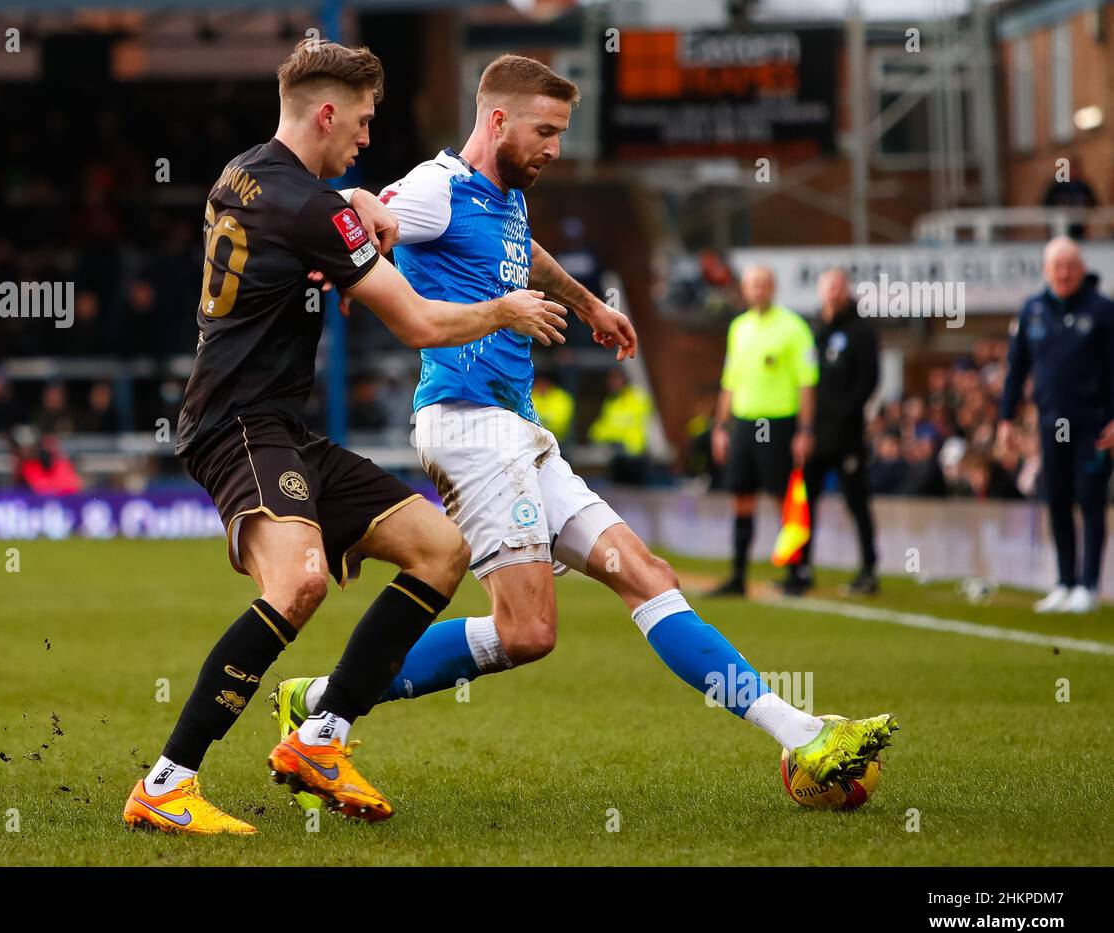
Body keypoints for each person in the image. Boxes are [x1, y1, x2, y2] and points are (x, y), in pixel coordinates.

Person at [272, 54, 897, 804]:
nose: (555, 148)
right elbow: (370, 205)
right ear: (496, 120)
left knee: (648, 575)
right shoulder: (441, 187)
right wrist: (355, 230)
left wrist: (590, 304)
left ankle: (801, 733)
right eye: (546, 130)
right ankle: (324, 714)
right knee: (528, 631)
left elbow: (519, 253)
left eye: (562, 133)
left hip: (519, 431)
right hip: (471, 427)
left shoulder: (504, 196)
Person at [122, 40, 568, 835]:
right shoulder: (312, 210)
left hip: (281, 427)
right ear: (327, 114)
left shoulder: (242, 172)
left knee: (440, 548)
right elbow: (424, 324)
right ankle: (167, 780)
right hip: (239, 425)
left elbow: (307, 217)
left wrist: (355, 200)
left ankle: (321, 738)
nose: (366, 137)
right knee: (297, 585)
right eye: (361, 123)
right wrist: (506, 308)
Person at [999, 236, 1114, 614]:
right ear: (1046, 271)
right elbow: (1017, 370)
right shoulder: (1032, 311)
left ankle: (1089, 585)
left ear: (1081, 269)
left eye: (1070, 266)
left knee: (1090, 500)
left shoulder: (1102, 311)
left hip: (1093, 425)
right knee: (1057, 501)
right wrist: (1005, 417)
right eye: (1056, 267)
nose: (1063, 274)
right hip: (1052, 424)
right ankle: (1064, 581)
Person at [708, 266, 818, 596]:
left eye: (764, 284)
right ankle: (738, 575)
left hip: (777, 423)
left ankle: (797, 571)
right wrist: (719, 426)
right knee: (741, 495)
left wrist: (805, 430)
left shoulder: (794, 327)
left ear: (773, 287)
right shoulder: (738, 327)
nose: (758, 290)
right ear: (744, 289)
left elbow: (807, 382)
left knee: (783, 497)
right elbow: (729, 381)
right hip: (744, 422)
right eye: (753, 285)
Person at [795, 268, 880, 595]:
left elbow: (869, 380)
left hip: (847, 435)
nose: (834, 292)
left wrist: (844, 414)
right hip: (813, 435)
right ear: (820, 292)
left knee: (857, 502)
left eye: (839, 286)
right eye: (828, 287)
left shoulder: (861, 331)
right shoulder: (813, 331)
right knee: (805, 503)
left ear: (846, 291)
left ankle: (869, 569)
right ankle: (801, 567)